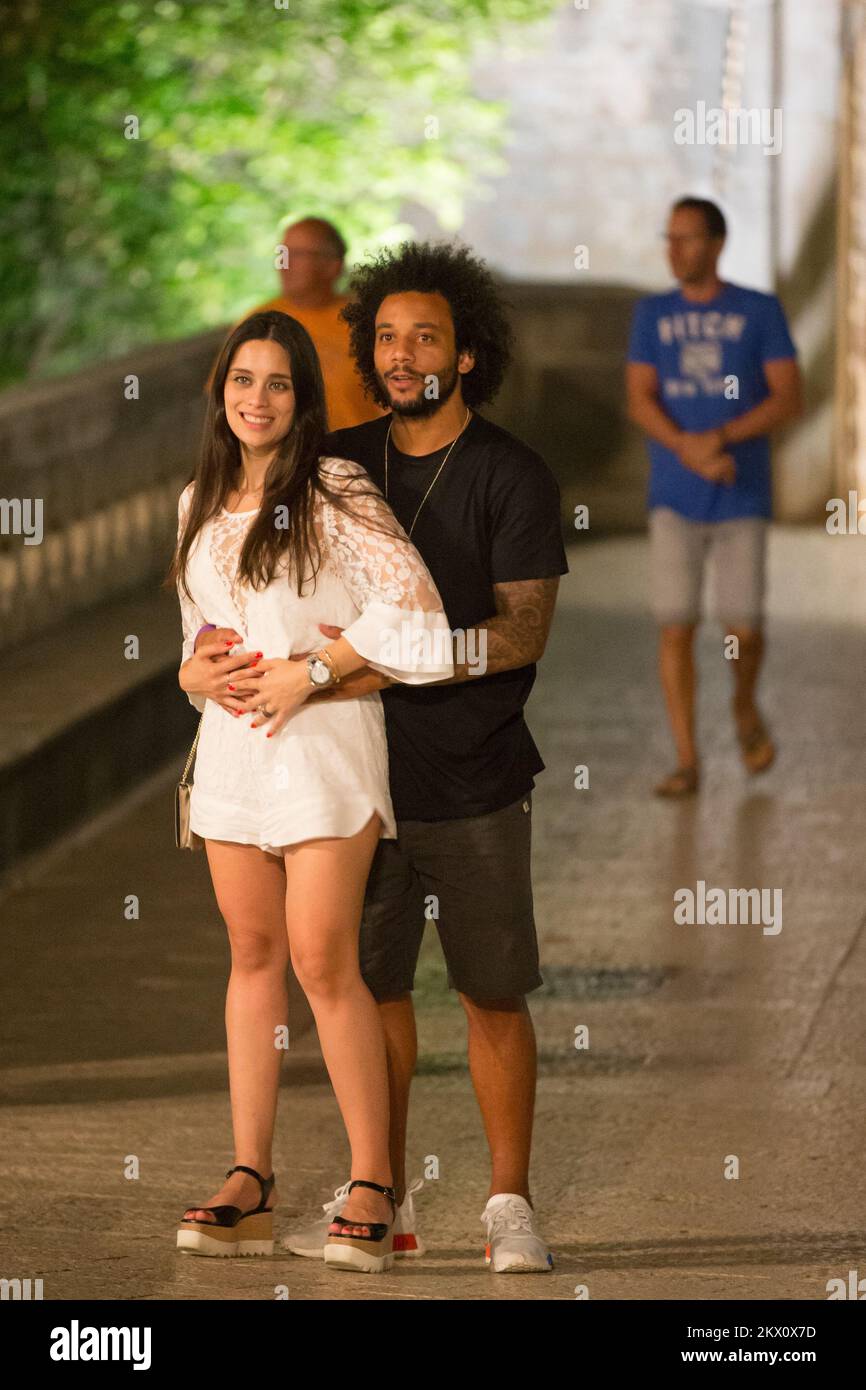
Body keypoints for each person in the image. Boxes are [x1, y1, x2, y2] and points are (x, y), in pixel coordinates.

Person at [198, 241, 568, 1272]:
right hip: (352, 778)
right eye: (387, 337)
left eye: (427, 337)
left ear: (468, 353)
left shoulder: (509, 473)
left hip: (474, 773)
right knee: (371, 985)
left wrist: (362, 670)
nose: (403, 354)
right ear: (364, 350)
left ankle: (506, 1202)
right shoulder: (334, 464)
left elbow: (522, 630)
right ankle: (384, 1192)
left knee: (490, 990)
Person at [167, 308, 454, 1274]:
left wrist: (314, 673)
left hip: (323, 747)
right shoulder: (196, 502)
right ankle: (251, 1180)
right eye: (243, 381)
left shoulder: (333, 486)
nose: (257, 399)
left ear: (304, 398)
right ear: (221, 392)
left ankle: (374, 1181)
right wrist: (192, 674)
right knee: (252, 957)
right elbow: (195, 637)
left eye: (279, 384)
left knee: (324, 962)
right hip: (236, 755)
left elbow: (413, 606)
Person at [626, 196, 803, 796]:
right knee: (675, 625)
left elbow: (786, 396)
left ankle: (745, 706)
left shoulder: (758, 311)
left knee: (743, 628)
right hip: (675, 496)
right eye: (669, 237)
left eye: (688, 238)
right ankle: (686, 759)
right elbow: (640, 397)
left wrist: (719, 437)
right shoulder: (652, 314)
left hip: (741, 493)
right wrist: (688, 447)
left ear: (718, 244)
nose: (675, 250)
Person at [206, 217, 383, 430]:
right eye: (282, 253)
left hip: (357, 457)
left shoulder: (369, 324)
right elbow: (222, 403)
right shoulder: (259, 321)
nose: (284, 264)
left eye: (297, 255)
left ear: (332, 266)